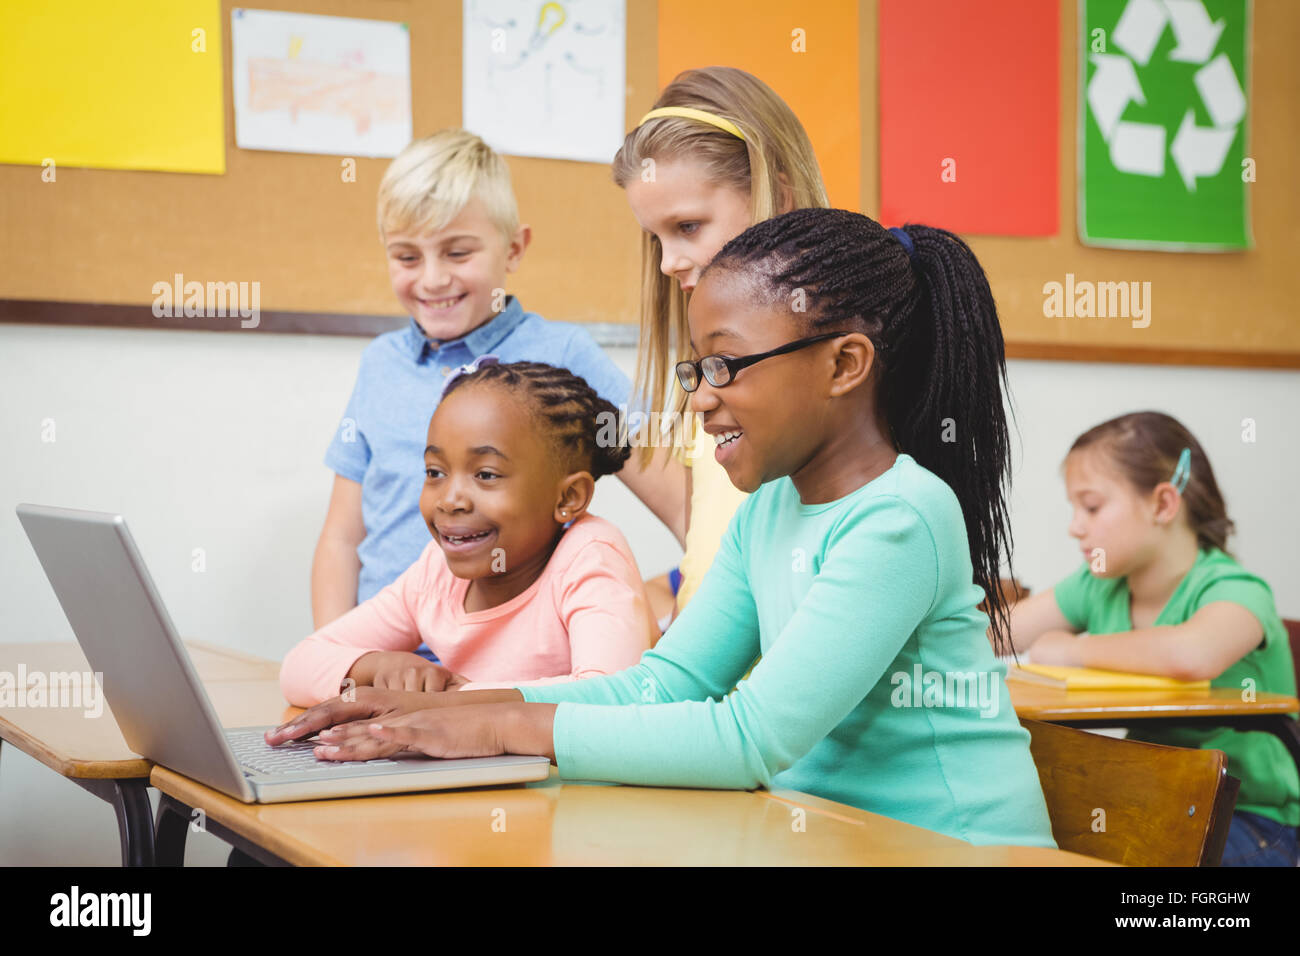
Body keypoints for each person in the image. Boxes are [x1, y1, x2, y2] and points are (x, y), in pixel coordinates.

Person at [271, 209, 1055, 848]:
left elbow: (749, 737)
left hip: (951, 849)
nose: (699, 399)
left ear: (844, 365)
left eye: (724, 366)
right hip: (828, 839)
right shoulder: (771, 510)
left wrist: (499, 728)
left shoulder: (900, 518)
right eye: (694, 370)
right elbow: (664, 684)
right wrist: (434, 714)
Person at [312, 129, 686, 661]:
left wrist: (702, 604)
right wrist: (341, 656)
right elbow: (342, 538)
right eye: (406, 257)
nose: (433, 278)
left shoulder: (564, 353)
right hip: (392, 663)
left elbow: (679, 501)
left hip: (512, 671)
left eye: (457, 252)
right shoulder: (380, 364)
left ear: (514, 248)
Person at [1007, 411, 1299, 866]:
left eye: (1092, 506)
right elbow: (1001, 633)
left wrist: (1073, 650)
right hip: (1146, 809)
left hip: (1256, 821)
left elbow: (1192, 654)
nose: (1075, 527)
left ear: (1163, 505)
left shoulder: (1238, 590)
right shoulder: (1099, 584)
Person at [282, 359, 658, 706]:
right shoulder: (435, 575)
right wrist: (375, 668)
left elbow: (613, 698)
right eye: (435, 472)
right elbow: (298, 667)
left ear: (568, 497)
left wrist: (452, 700)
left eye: (486, 475)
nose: (450, 500)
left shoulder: (590, 558)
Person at [614, 66, 831, 615]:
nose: (667, 263)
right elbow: (712, 553)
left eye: (688, 227)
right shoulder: (707, 383)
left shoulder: (833, 379)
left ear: (775, 197)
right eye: (656, 237)